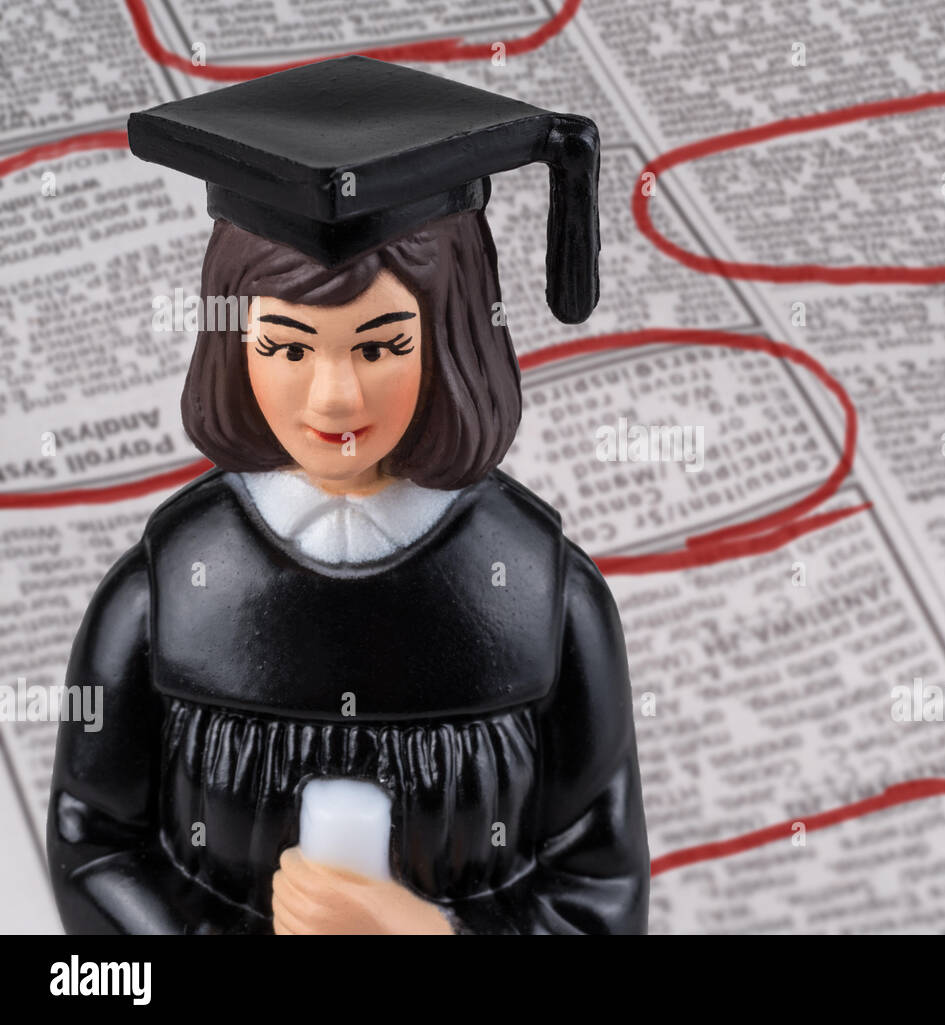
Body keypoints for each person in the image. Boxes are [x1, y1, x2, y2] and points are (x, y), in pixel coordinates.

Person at [45, 57, 650, 935]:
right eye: (289, 348)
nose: (333, 400)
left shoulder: (543, 600)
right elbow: (93, 847)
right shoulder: (163, 592)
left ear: (451, 339)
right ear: (234, 344)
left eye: (379, 346)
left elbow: (601, 893)